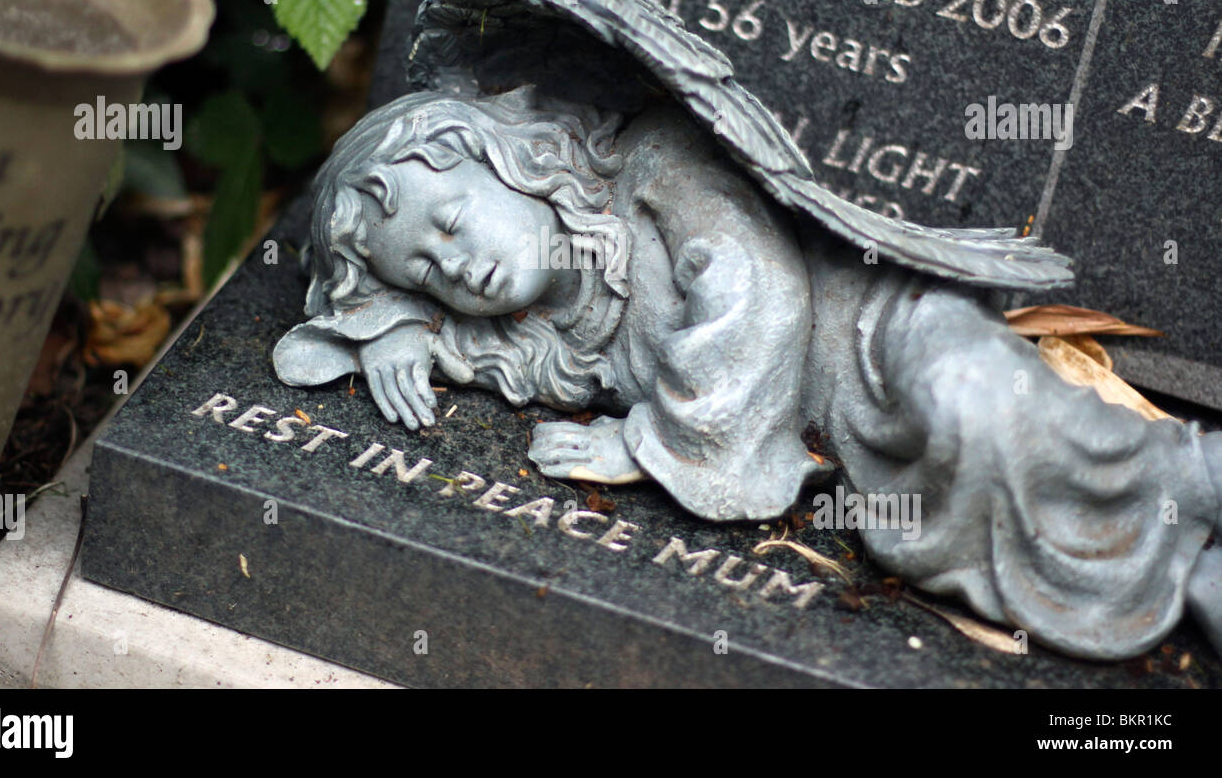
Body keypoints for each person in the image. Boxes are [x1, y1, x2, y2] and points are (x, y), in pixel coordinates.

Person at [275, 83, 1222, 662]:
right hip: (835, 432)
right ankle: (1172, 564)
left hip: (869, 333)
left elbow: (758, 290)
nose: (458, 267)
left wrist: (651, 443)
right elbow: (318, 341)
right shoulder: (536, 320)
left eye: (447, 225)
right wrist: (391, 328)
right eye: (428, 275)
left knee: (974, 401)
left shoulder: (651, 168)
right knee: (945, 504)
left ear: (502, 157)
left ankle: (1190, 476)